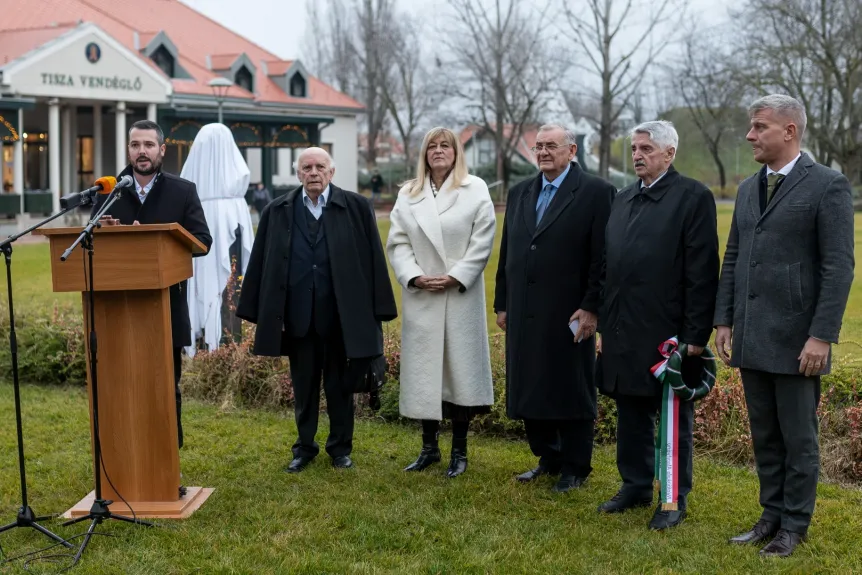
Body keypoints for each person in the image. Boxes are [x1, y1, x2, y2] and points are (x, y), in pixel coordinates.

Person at [715, 94, 854, 557]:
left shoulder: (828, 186)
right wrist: (725, 320)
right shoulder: (750, 186)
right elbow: (734, 256)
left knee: (798, 439)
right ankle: (770, 515)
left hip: (799, 341)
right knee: (766, 436)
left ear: (789, 131)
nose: (750, 136)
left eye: (759, 127)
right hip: (753, 336)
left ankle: (795, 525)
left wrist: (821, 336)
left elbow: (838, 267)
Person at [236, 147, 397, 472]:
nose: (313, 172)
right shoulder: (277, 210)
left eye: (319, 166)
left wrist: (379, 309)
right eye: (307, 167)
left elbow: (374, 260)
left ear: (331, 172)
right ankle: (304, 448)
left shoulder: (356, 207)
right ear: (298, 173)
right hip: (298, 319)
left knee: (340, 388)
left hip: (340, 318)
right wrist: (260, 311)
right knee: (304, 388)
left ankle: (340, 449)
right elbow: (260, 263)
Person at [596, 120, 719, 530]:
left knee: (671, 418)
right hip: (621, 325)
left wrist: (695, 338)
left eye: (646, 148)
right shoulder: (623, 198)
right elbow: (607, 264)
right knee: (629, 408)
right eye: (634, 148)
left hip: (667, 332)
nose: (637, 155)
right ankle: (634, 484)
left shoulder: (692, 198)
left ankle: (673, 498)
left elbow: (702, 273)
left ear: (669, 153)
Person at [493, 123, 614, 493]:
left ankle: (575, 466)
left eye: (551, 146)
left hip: (570, 311)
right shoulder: (520, 192)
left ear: (572, 151)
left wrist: (592, 307)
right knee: (528, 384)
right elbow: (509, 251)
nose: (543, 152)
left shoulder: (596, 192)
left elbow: (603, 257)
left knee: (570, 386)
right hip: (524, 309)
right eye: (538, 146)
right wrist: (502, 302)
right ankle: (548, 457)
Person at [92, 119, 212, 450]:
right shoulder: (107, 190)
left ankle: (165, 462)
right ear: (128, 150)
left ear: (161, 150)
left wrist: (156, 240)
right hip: (116, 311)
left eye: (148, 145)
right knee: (120, 388)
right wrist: (105, 231)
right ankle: (123, 456)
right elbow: (88, 243)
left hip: (166, 310)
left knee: (163, 388)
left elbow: (203, 242)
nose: (141, 152)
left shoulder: (182, 190)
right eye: (135, 145)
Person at [386, 127, 496, 478]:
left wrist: (458, 275)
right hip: (424, 296)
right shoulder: (409, 193)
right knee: (425, 373)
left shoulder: (474, 188)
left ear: (455, 151)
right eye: (431, 146)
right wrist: (414, 276)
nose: (438, 151)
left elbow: (483, 239)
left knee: (459, 373)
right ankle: (429, 448)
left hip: (459, 294)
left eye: (444, 145)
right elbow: (398, 241)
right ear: (423, 154)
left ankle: (459, 451)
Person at [179, 123, 255, 357]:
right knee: (229, 287)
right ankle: (227, 345)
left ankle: (209, 341)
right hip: (222, 227)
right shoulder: (235, 199)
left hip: (201, 241)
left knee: (209, 286)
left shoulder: (193, 198)